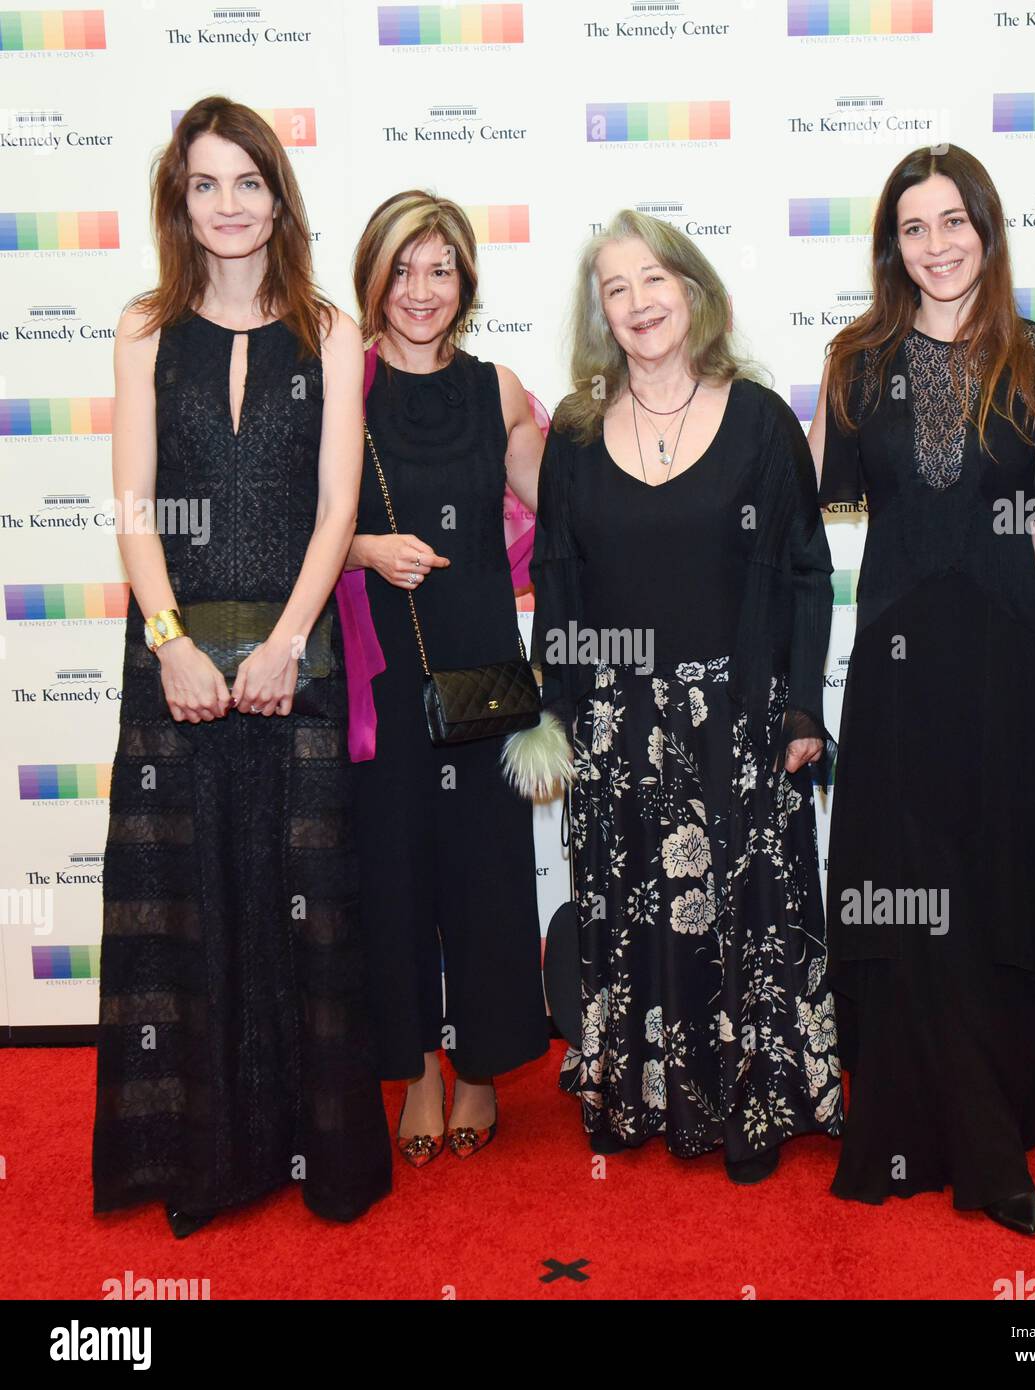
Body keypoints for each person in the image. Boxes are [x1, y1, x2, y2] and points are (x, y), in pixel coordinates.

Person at [92, 97, 392, 1236]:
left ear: (279, 195)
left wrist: (283, 641)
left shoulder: (327, 327)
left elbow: (335, 509)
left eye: (247, 182)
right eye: (205, 184)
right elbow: (133, 505)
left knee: (299, 902)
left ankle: (311, 1150)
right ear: (181, 200)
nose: (227, 204)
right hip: (172, 659)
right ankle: (202, 1153)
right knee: (191, 901)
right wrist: (169, 644)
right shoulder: (140, 327)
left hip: (290, 654)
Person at [809, 144, 1035, 1234]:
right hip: (897, 674)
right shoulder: (855, 363)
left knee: (989, 896)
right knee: (906, 897)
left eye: (954, 222)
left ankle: (992, 1136)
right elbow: (814, 520)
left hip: (1009, 669)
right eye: (913, 228)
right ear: (891, 247)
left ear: (986, 230)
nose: (936, 246)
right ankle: (918, 1132)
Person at [531, 210, 843, 1185]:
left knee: (747, 915)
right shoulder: (574, 435)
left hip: (739, 722)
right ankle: (643, 1094)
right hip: (622, 731)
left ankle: (753, 1096)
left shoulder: (757, 421)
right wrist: (566, 717)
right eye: (614, 290)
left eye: (653, 280)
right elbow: (558, 582)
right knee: (634, 916)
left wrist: (798, 709)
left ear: (694, 291)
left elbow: (803, 571)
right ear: (600, 314)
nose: (636, 304)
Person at [339, 191, 549, 1166]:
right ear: (372, 278)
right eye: (403, 269)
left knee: (488, 874)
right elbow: (295, 528)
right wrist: (370, 547)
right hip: (381, 674)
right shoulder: (342, 387)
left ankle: (480, 1070)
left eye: (441, 269)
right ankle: (418, 1067)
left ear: (465, 280)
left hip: (483, 678)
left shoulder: (498, 391)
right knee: (392, 873)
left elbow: (571, 513)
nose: (421, 291)